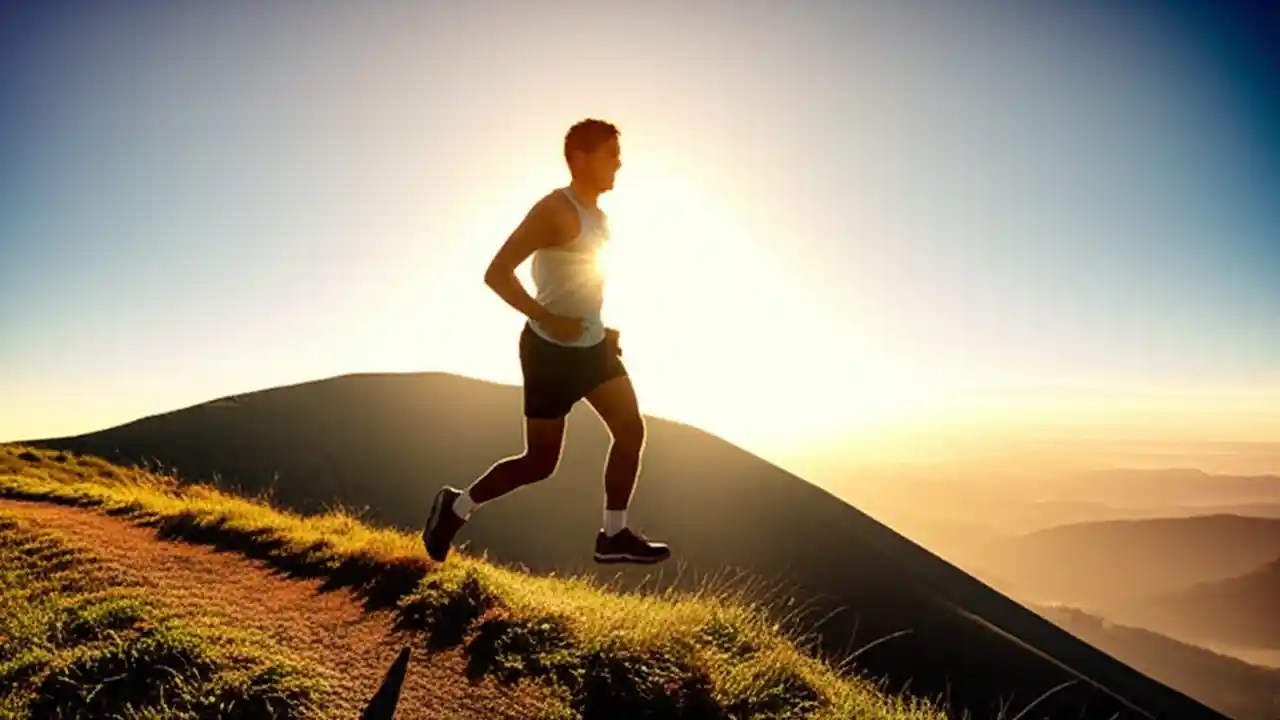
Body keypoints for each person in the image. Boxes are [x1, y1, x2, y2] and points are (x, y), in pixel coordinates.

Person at [421, 118, 670, 565]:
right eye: (611, 153)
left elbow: (582, 282)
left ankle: (612, 535)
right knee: (539, 463)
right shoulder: (554, 210)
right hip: (549, 353)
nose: (619, 162)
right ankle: (455, 508)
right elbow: (496, 273)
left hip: (593, 348)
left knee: (631, 430)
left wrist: (600, 326)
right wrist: (548, 319)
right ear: (579, 158)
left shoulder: (601, 219)